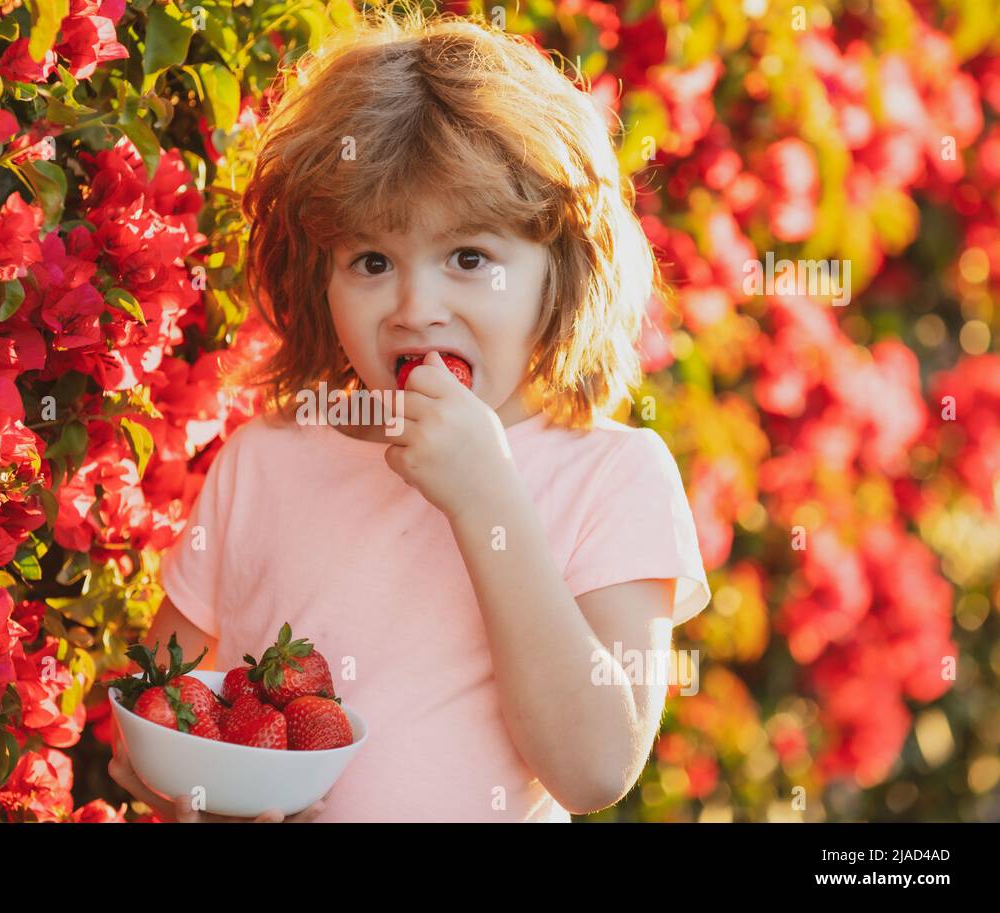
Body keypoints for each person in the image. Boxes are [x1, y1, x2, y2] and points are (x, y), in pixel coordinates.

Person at [109, 3, 711, 822]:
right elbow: (157, 707)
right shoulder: (265, 460)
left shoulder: (611, 475)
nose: (415, 306)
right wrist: (182, 781)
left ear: (559, 271)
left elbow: (596, 765)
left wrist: (487, 498)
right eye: (371, 259)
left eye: (469, 257)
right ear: (317, 280)